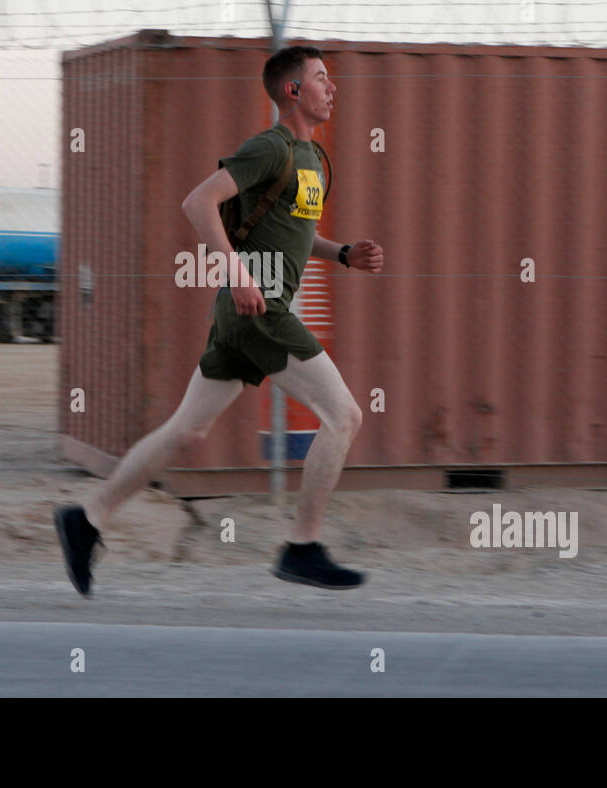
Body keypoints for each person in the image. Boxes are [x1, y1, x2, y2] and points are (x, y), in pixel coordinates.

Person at [54, 44, 384, 596]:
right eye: (322, 78)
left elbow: (293, 235)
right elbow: (197, 203)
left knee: (189, 429)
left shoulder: (314, 159)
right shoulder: (270, 148)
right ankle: (302, 547)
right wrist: (236, 272)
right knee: (345, 415)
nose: (334, 87)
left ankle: (86, 518)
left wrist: (341, 253)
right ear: (292, 91)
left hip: (247, 309)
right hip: (260, 307)